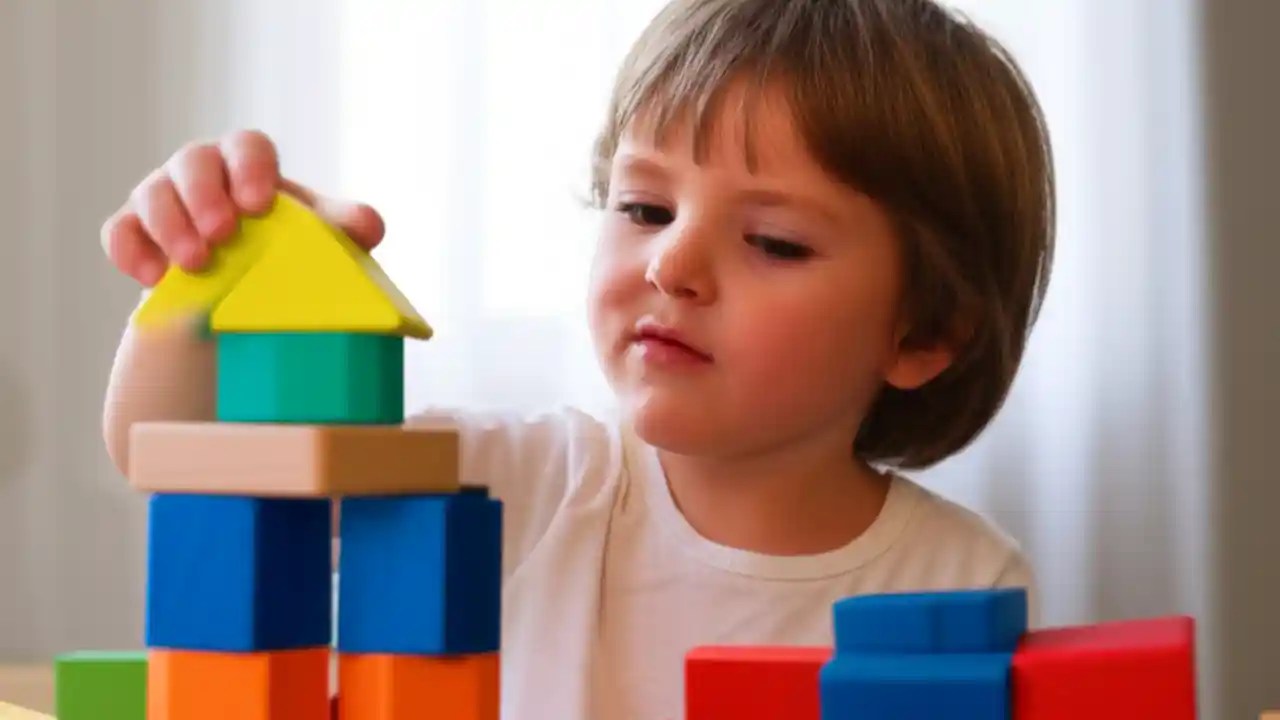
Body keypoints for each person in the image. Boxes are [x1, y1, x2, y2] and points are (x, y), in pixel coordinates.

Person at [99, 0, 1054, 717]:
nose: (672, 264)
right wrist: (210, 270)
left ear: (923, 335)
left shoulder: (959, 578)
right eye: (644, 209)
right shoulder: (517, 484)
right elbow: (176, 454)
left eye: (775, 242)